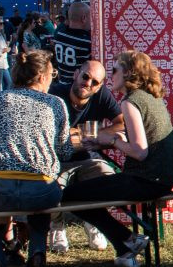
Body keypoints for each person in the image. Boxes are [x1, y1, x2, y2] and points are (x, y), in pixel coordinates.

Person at [0, 51, 73, 267]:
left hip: (0, 186)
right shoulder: (55, 103)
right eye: (52, 75)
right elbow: (65, 151)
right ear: (42, 76)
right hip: (41, 189)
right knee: (42, 204)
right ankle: (37, 254)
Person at [60, 51, 168, 267]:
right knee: (81, 193)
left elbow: (140, 152)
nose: (111, 76)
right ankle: (125, 246)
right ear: (76, 74)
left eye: (115, 70)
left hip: (144, 179)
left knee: (70, 196)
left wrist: (112, 140)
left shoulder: (131, 102)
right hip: (160, 176)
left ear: (128, 73)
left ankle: (127, 239)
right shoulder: (149, 98)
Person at [48, 59, 122, 253]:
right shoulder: (55, 94)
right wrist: (67, 136)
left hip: (89, 158)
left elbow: (121, 122)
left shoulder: (102, 96)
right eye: (85, 76)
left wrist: (97, 135)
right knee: (49, 187)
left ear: (99, 87)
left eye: (95, 82)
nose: (88, 83)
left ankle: (94, 221)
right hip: (56, 160)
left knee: (110, 181)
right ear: (76, 74)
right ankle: (57, 226)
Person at [52, 2, 93, 85]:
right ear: (84, 18)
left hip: (61, 83)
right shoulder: (86, 42)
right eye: (91, 17)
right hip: (77, 87)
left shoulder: (59, 34)